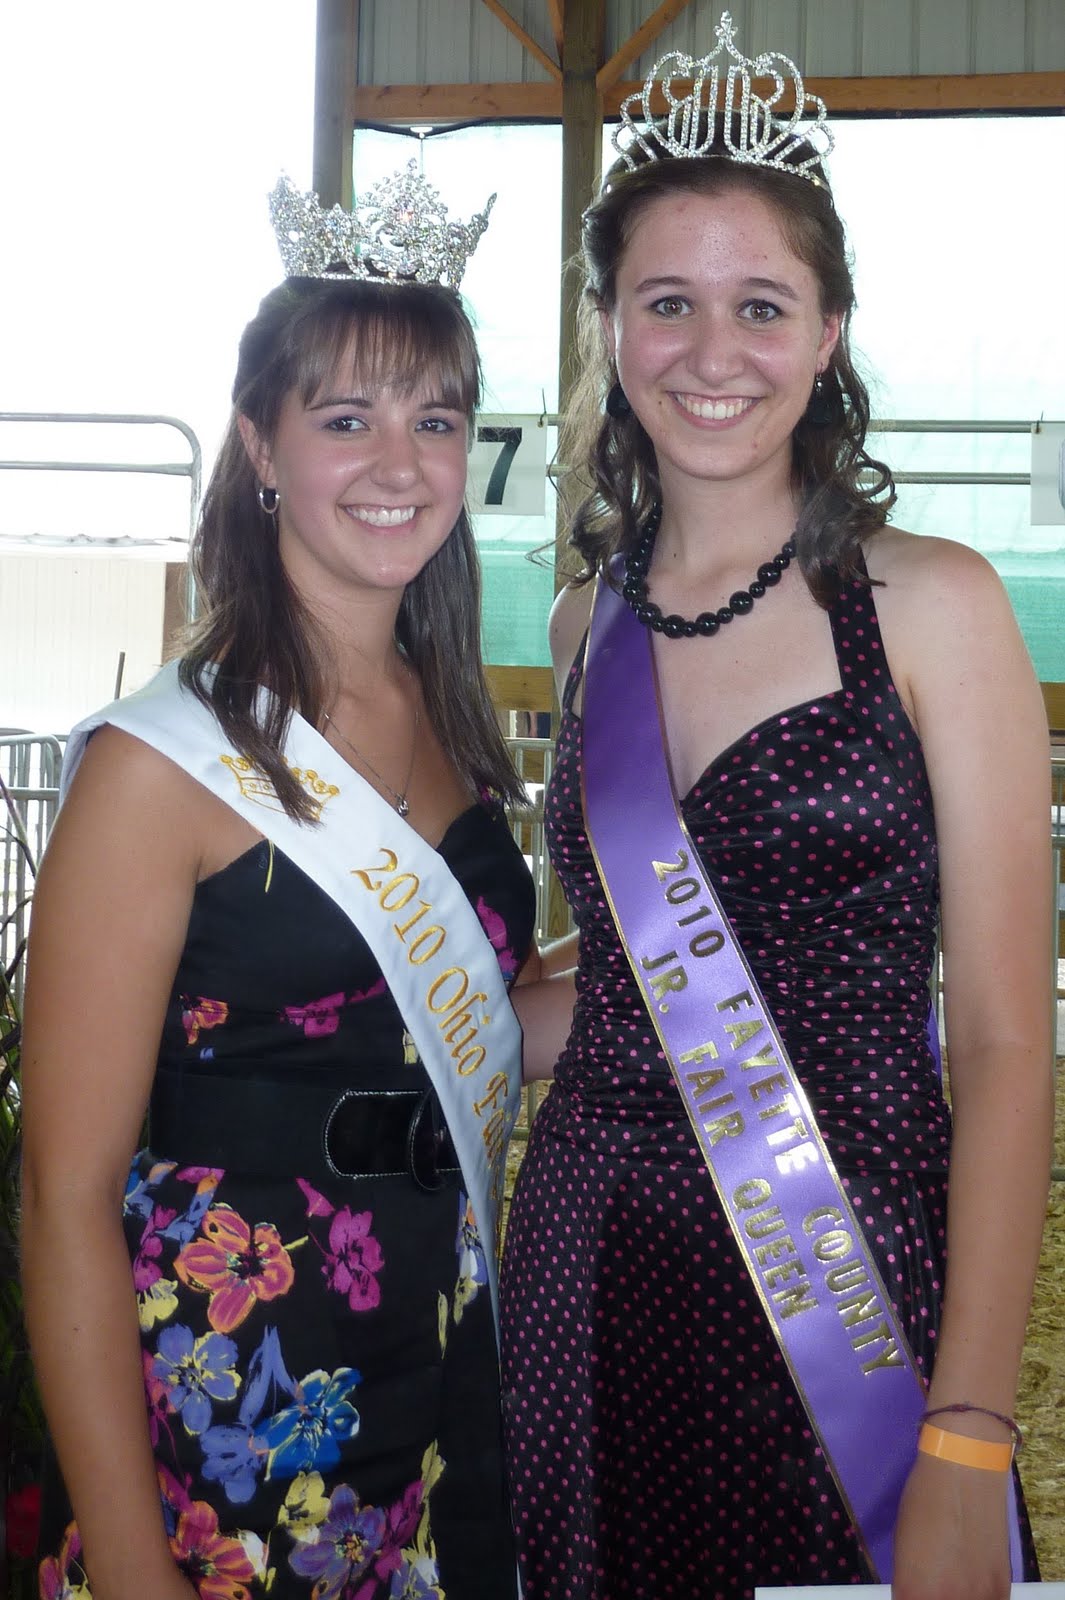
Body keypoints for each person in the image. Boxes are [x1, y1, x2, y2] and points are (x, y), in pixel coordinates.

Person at [500, 17, 1053, 1600]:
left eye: (759, 306)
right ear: (610, 326)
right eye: (665, 303)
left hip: (854, 1284)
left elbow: (1009, 1041)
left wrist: (965, 1427)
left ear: (827, 335)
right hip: (588, 1268)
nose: (710, 350)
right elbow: (615, 987)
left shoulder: (934, 610)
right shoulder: (579, 623)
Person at [21, 170, 535, 1600]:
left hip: (437, 1342)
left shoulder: (458, 721)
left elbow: (462, 1017)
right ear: (260, 444)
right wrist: (129, 1553)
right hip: (230, 1384)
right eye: (345, 418)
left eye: (435, 419)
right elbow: (61, 1191)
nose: (400, 460)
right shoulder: (160, 766)